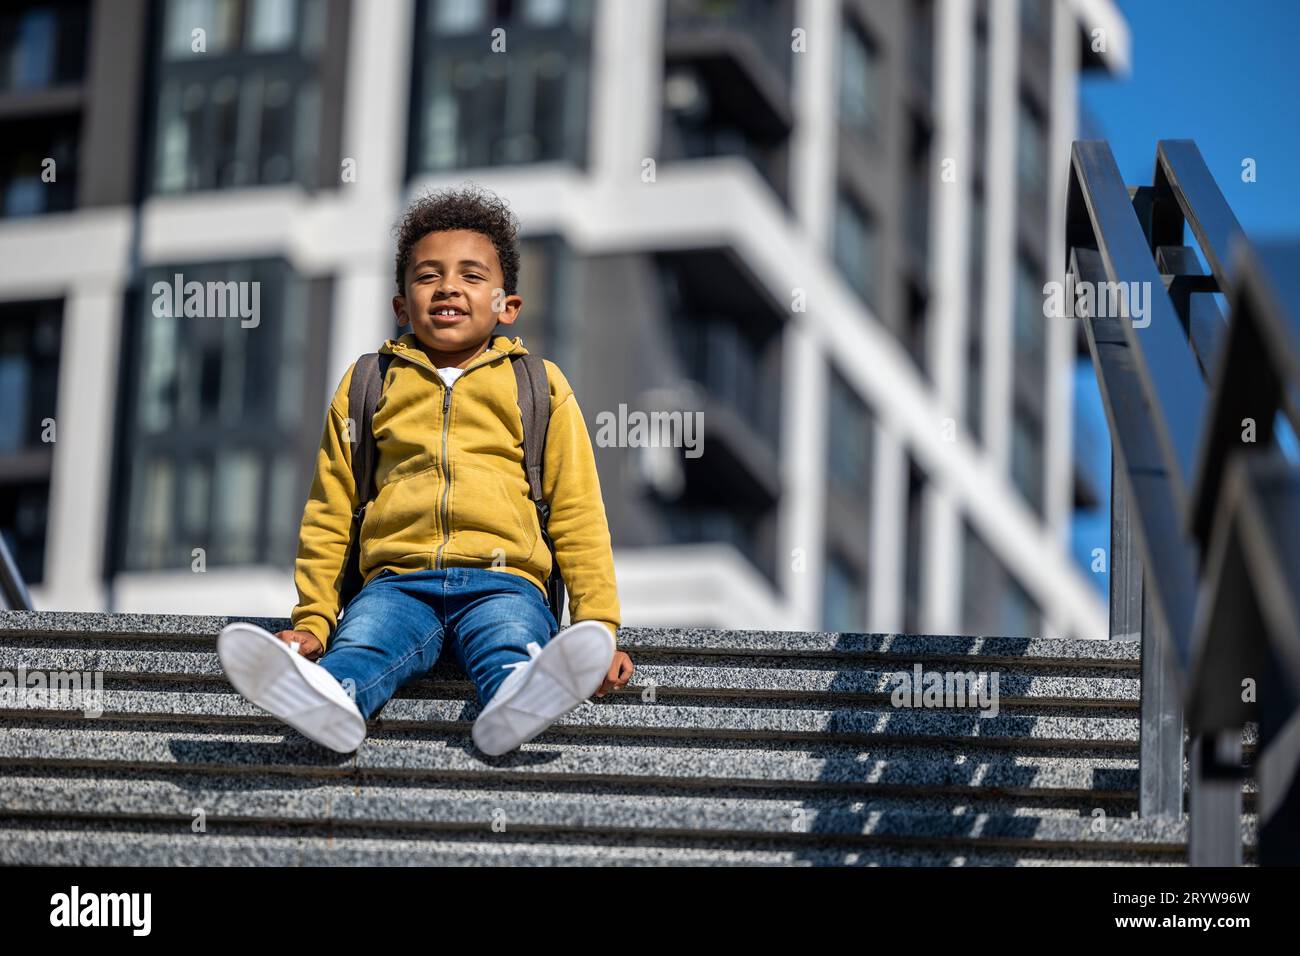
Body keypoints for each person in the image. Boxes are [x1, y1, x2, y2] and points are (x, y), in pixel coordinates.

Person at [218, 184, 633, 756]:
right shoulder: (370, 382)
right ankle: (331, 700)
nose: (447, 287)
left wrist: (599, 628)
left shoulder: (538, 384)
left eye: (471, 275)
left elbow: (578, 512)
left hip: (505, 579)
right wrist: (313, 620)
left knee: (514, 643)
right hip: (395, 584)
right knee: (361, 646)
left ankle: (517, 700)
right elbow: (330, 508)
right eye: (427, 275)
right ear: (400, 305)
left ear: (506, 305)